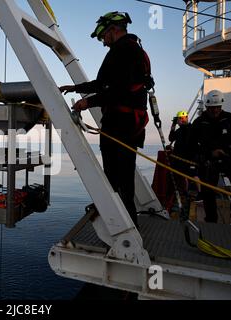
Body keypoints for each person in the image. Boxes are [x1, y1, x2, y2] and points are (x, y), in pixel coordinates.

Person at [60, 11, 152, 225]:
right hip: (126, 124)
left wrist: (87, 102)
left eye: (103, 36)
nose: (103, 42)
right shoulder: (130, 50)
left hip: (121, 124)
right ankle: (124, 223)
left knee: (117, 179)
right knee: (120, 177)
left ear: (113, 29)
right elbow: (103, 83)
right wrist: (75, 88)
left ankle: (124, 228)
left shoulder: (124, 51)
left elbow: (119, 90)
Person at [189, 90, 231, 223]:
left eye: (218, 107)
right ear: (207, 107)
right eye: (212, 108)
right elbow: (191, 145)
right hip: (208, 162)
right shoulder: (199, 122)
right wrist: (209, 154)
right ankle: (211, 222)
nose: (215, 111)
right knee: (208, 193)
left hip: (228, 159)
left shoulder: (230, 119)